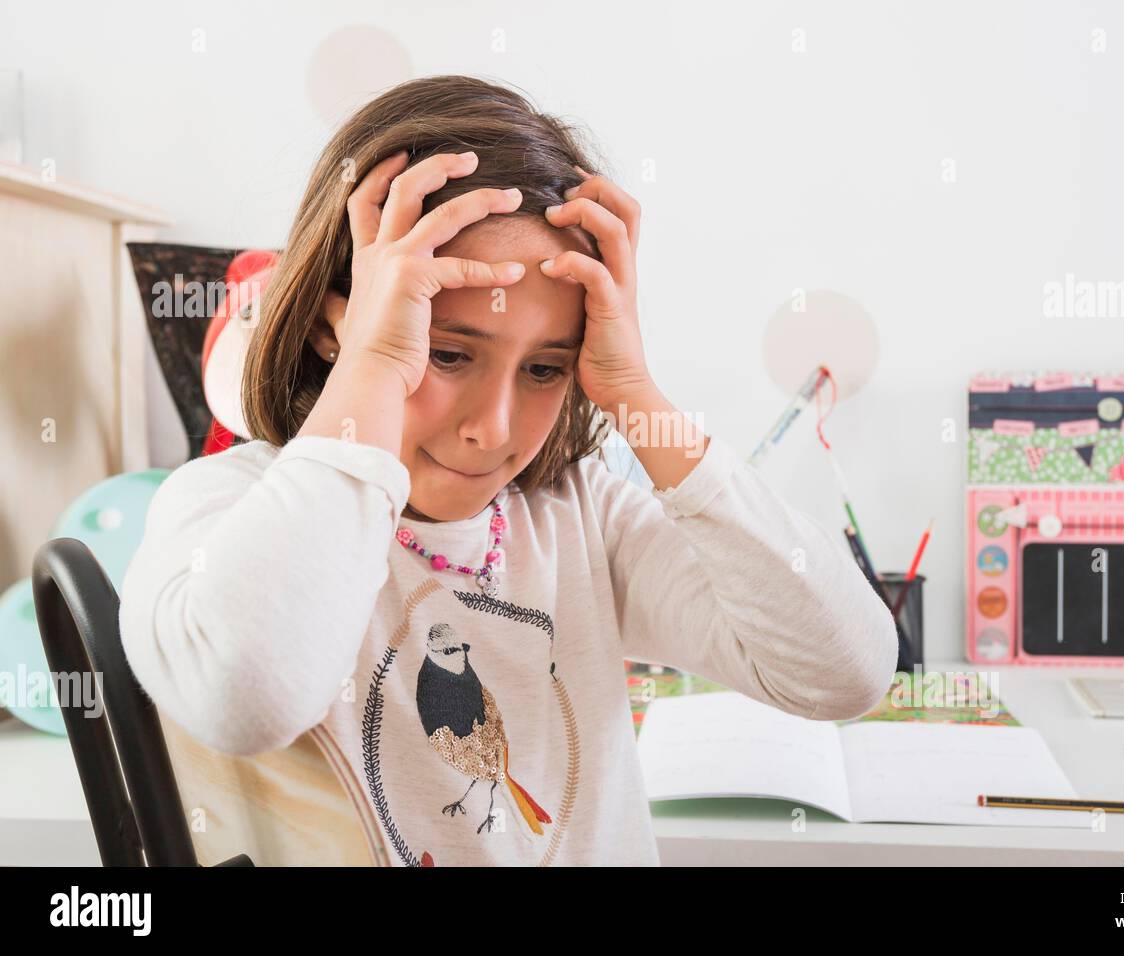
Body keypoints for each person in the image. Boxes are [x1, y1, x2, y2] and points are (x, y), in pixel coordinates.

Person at [119, 75, 898, 866]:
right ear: (333, 326)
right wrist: (379, 365)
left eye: (544, 371)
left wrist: (635, 395)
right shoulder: (220, 505)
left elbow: (846, 673)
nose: (493, 431)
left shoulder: (580, 516)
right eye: (449, 353)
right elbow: (247, 697)